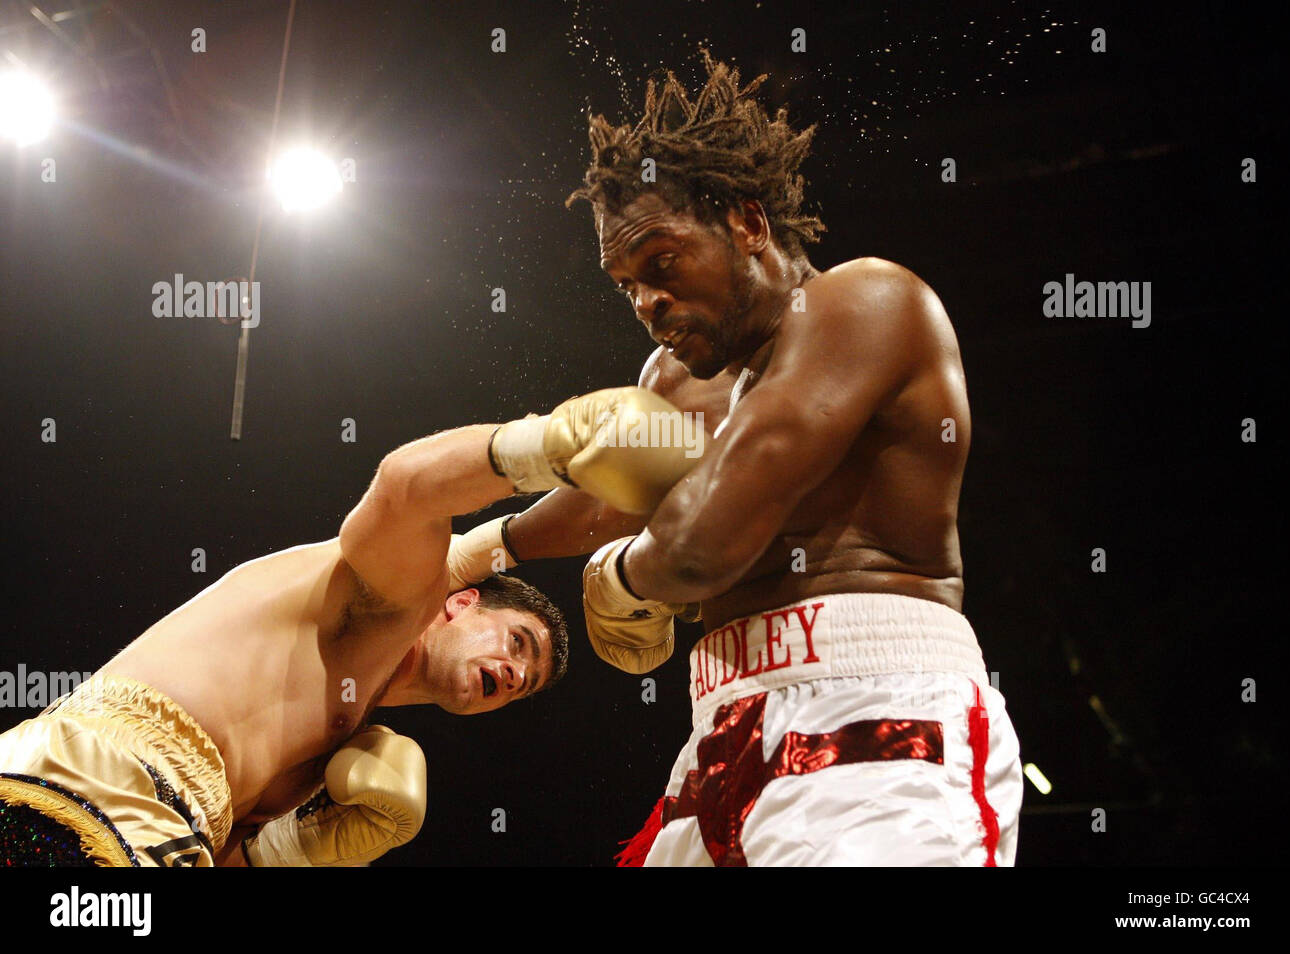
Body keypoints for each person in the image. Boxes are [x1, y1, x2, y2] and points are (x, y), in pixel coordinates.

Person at [449, 51, 1023, 866]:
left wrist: (621, 581)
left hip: (878, 708)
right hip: (722, 725)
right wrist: (475, 552)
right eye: (626, 285)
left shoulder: (864, 303)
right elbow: (613, 496)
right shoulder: (677, 378)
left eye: (663, 264)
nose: (648, 302)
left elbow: (694, 546)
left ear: (748, 224)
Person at [0, 387, 693, 866]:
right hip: (89, 785)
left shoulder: (340, 756)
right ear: (460, 604)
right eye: (518, 642)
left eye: (523, 684)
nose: (513, 673)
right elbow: (405, 487)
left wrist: (298, 852)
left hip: (155, 833)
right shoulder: (391, 597)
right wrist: (552, 442)